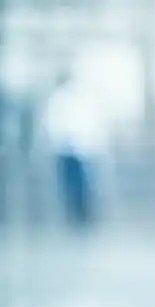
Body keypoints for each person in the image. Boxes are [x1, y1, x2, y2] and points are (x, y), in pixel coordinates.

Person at [45, 69, 106, 227]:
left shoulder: (76, 99)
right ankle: (74, 214)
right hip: (67, 150)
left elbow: (85, 124)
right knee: (70, 185)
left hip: (78, 149)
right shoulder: (59, 99)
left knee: (80, 185)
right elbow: (54, 125)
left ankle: (82, 215)